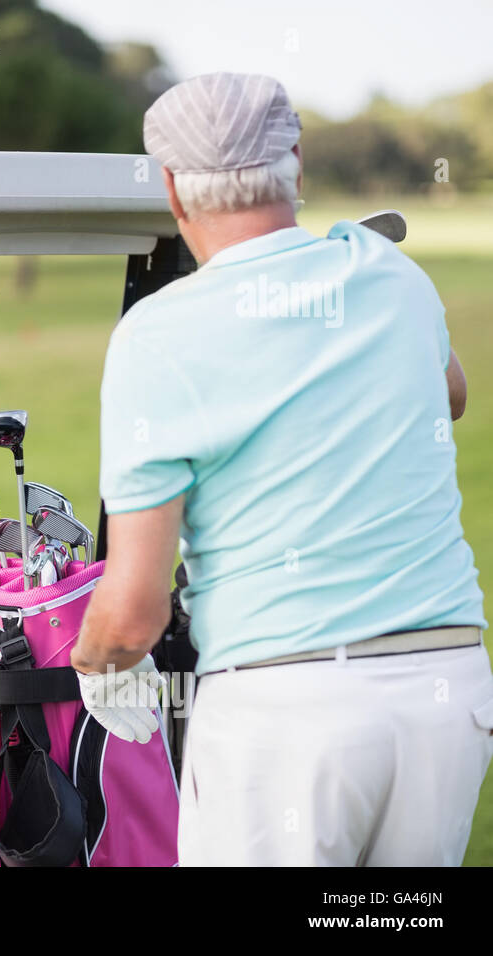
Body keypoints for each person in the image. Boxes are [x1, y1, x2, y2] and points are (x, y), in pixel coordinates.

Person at [68, 72, 491, 866]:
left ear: (172, 189)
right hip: (447, 689)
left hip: (287, 711)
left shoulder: (158, 336)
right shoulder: (391, 274)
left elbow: (132, 614)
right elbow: (452, 391)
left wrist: (94, 665)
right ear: (296, 159)